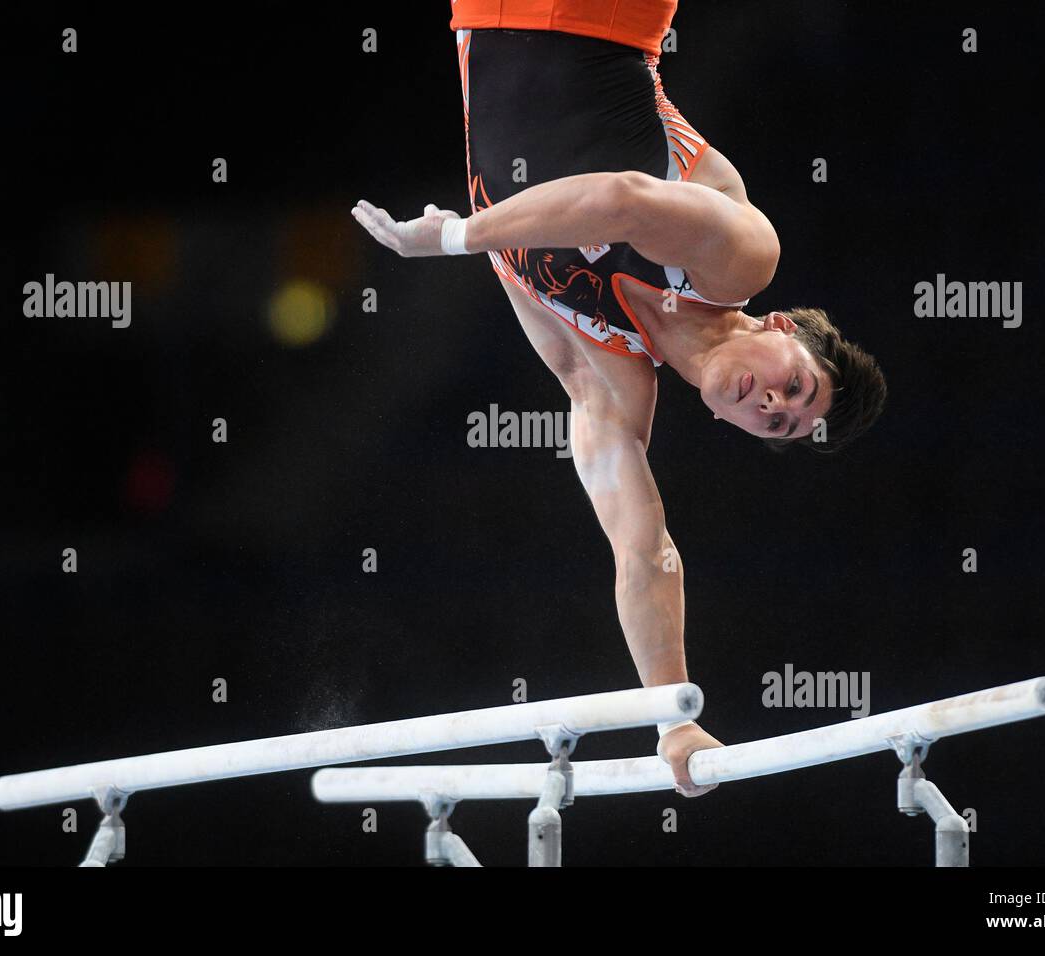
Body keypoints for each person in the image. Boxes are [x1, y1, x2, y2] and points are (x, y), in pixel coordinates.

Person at [352, 1, 886, 795]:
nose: (771, 401)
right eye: (796, 384)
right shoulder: (738, 263)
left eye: (776, 421)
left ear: (729, 423)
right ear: (781, 327)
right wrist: (458, 237)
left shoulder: (607, 381)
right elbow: (623, 198)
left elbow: (644, 553)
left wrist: (673, 718)